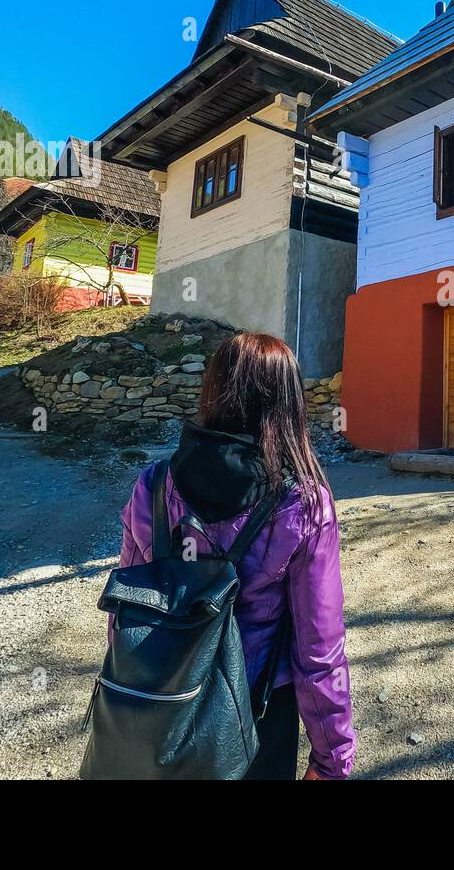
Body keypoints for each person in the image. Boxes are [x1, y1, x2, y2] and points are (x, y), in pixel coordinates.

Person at [114, 332, 355, 779]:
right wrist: (333, 758)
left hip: (160, 702)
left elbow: (124, 612)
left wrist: (137, 693)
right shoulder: (302, 503)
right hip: (253, 717)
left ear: (212, 388)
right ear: (288, 404)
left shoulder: (152, 484)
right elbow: (319, 649)